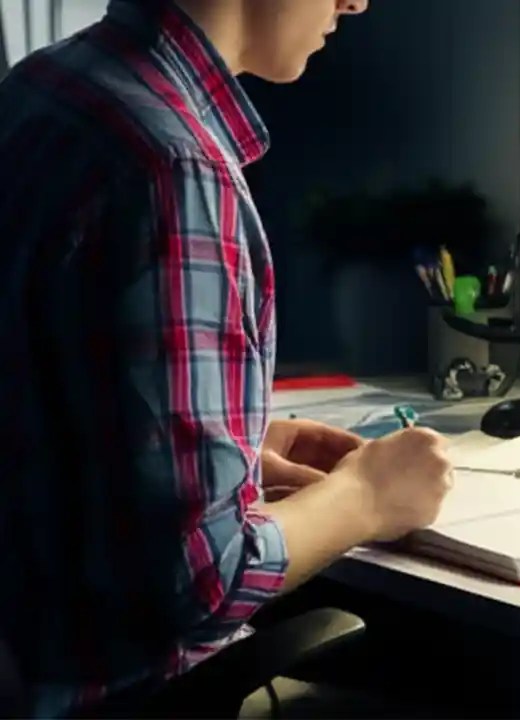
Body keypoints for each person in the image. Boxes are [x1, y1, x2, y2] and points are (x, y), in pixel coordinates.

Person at [0, 0, 455, 716]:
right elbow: (203, 585)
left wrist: (230, 455)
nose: (356, 1)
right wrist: (367, 496)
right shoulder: (172, 165)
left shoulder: (45, 89)